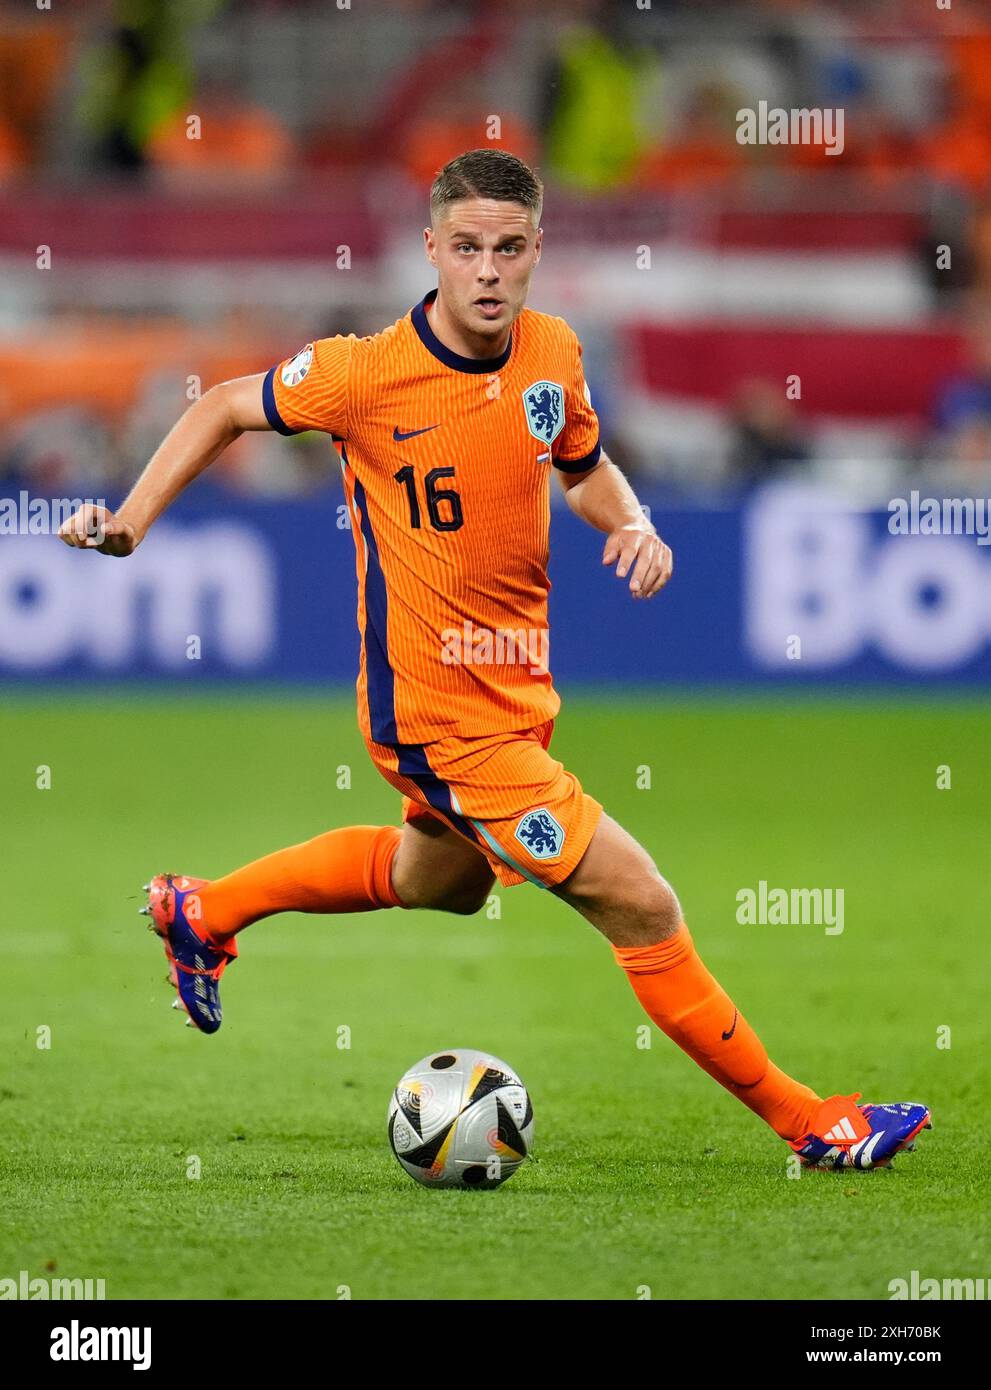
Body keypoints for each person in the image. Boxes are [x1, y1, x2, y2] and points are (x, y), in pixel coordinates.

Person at [59, 149, 930, 1170]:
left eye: (507, 249)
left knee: (443, 880)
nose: (485, 270)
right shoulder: (364, 373)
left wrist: (633, 522)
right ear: (431, 250)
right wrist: (129, 524)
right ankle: (811, 1124)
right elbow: (221, 406)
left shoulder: (552, 354)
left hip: (513, 700)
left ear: (534, 255)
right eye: (465, 247)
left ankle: (200, 910)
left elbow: (584, 464)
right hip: (438, 720)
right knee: (641, 902)